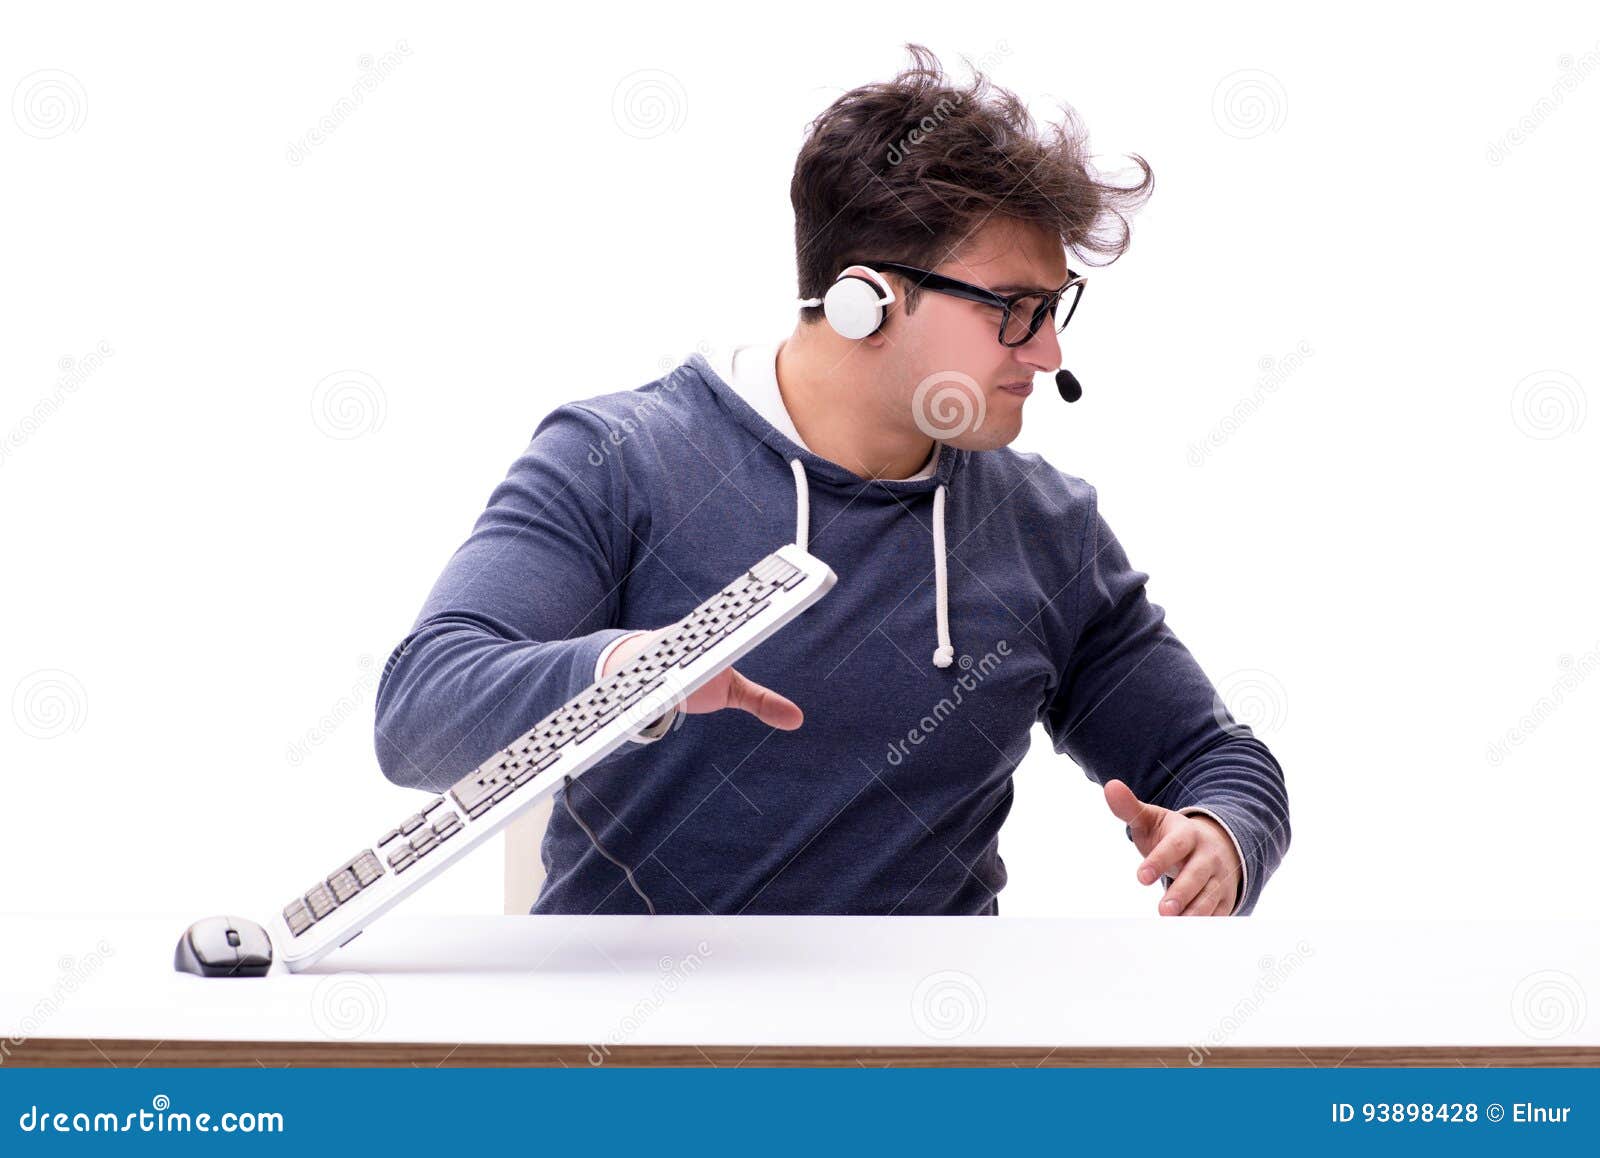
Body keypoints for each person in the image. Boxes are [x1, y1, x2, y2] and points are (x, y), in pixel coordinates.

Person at [374, 43, 1290, 918]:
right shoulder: (619, 459)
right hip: (641, 1049)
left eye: (1053, 309)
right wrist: (635, 678)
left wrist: (1220, 835)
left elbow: (1215, 759)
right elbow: (420, 715)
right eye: (1014, 311)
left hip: (929, 1048)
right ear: (865, 303)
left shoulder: (1044, 526)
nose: (1048, 353)